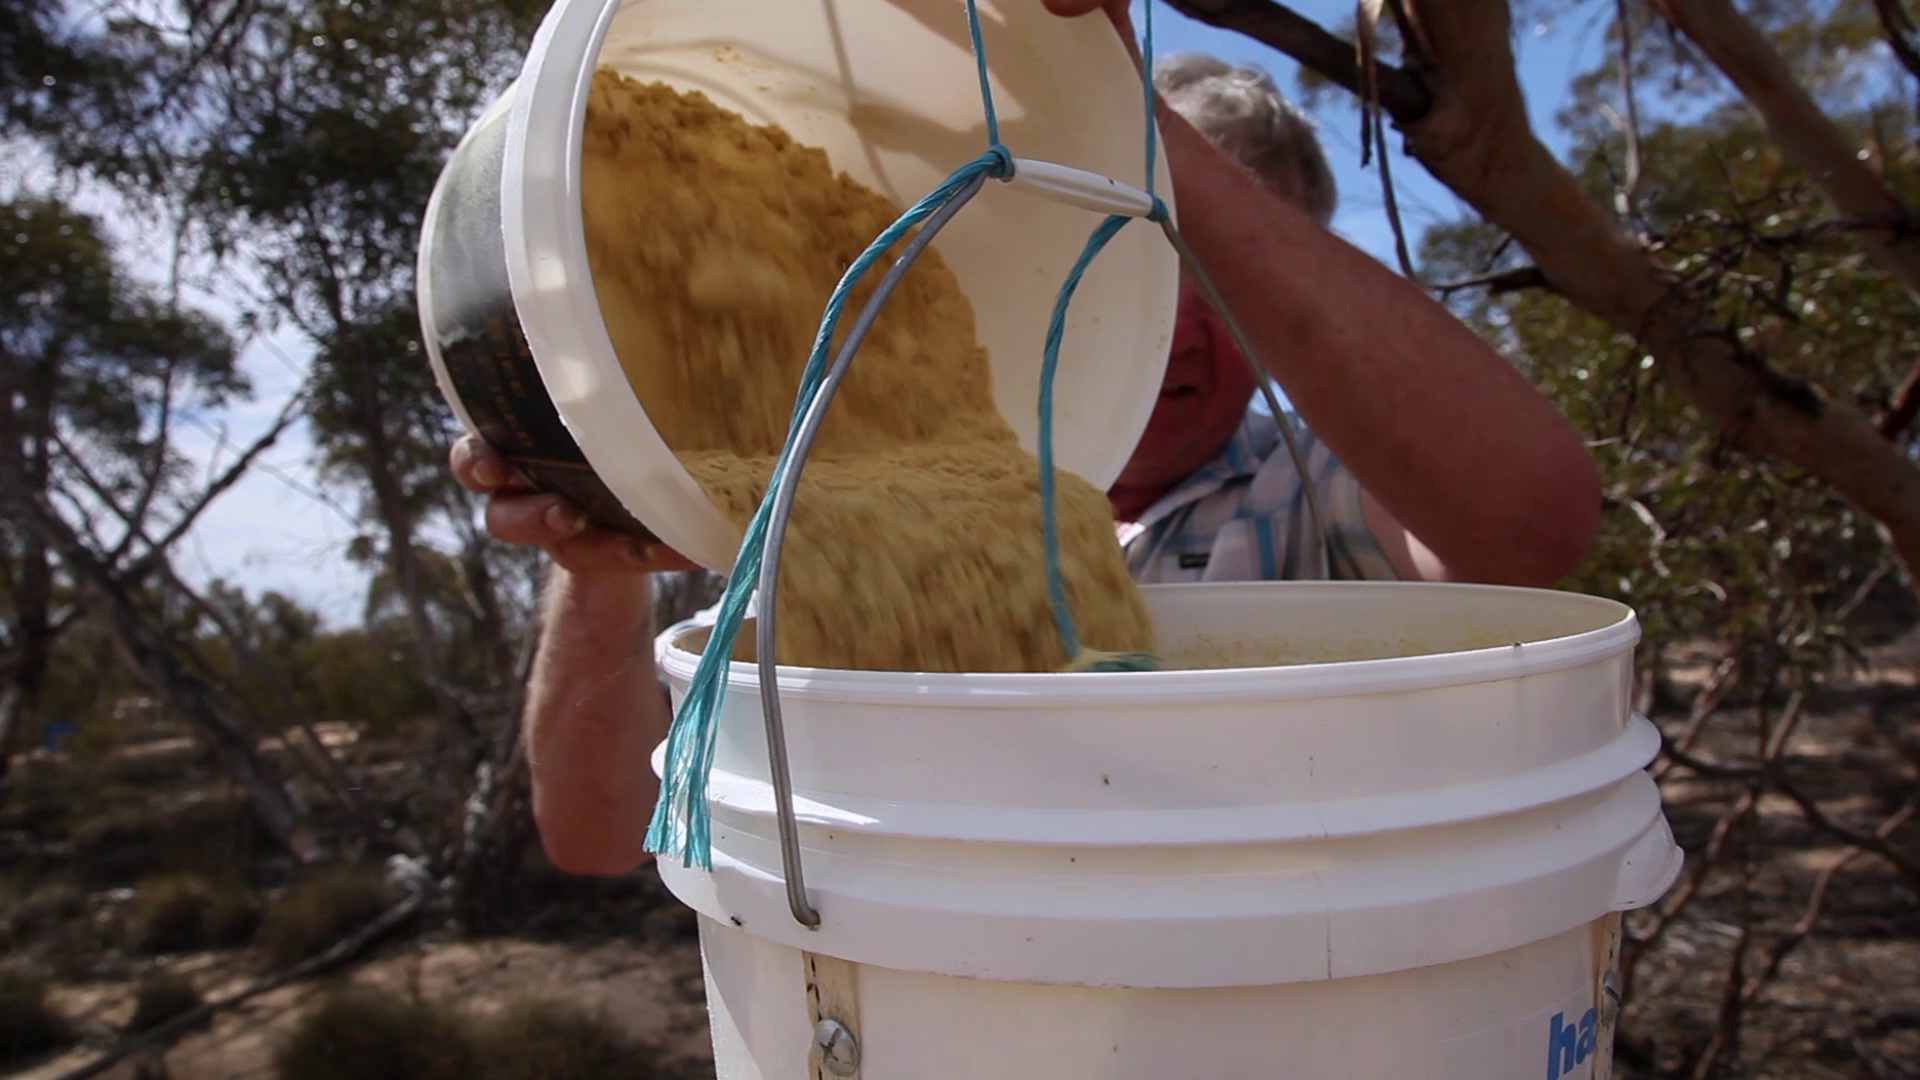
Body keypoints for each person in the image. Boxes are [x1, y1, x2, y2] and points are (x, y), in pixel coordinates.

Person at [447, 1, 1602, 876]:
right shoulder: (850, 517)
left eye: (1218, 269)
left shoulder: (1309, 509)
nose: (1176, 323)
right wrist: (595, 568)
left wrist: (1138, 136)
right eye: (1136, 257)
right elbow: (600, 836)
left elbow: (1528, 521)